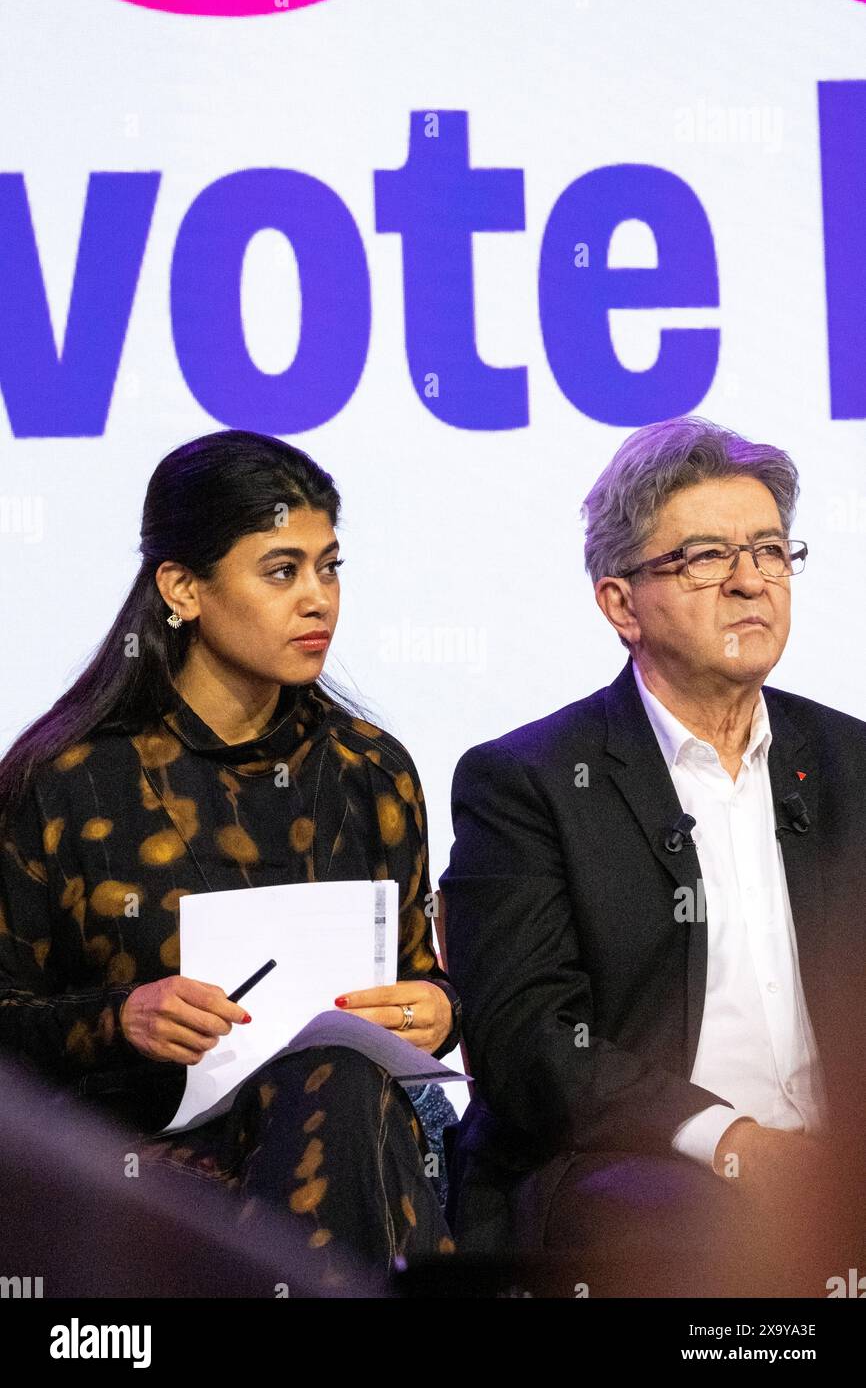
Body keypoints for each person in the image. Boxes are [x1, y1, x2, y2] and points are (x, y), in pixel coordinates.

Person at [0, 428, 461, 1284]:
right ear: (182, 588)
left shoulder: (371, 770)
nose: (319, 599)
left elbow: (421, 976)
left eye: (330, 567)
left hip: (350, 1132)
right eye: (282, 571)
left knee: (344, 1081)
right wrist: (123, 1017)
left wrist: (435, 1012)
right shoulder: (62, 783)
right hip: (140, 1160)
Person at [439, 415, 866, 1296]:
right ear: (621, 603)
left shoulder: (851, 764)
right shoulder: (529, 784)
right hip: (631, 1165)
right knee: (712, 1227)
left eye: (771, 551)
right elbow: (533, 1047)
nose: (750, 581)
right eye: (706, 557)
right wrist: (734, 1141)